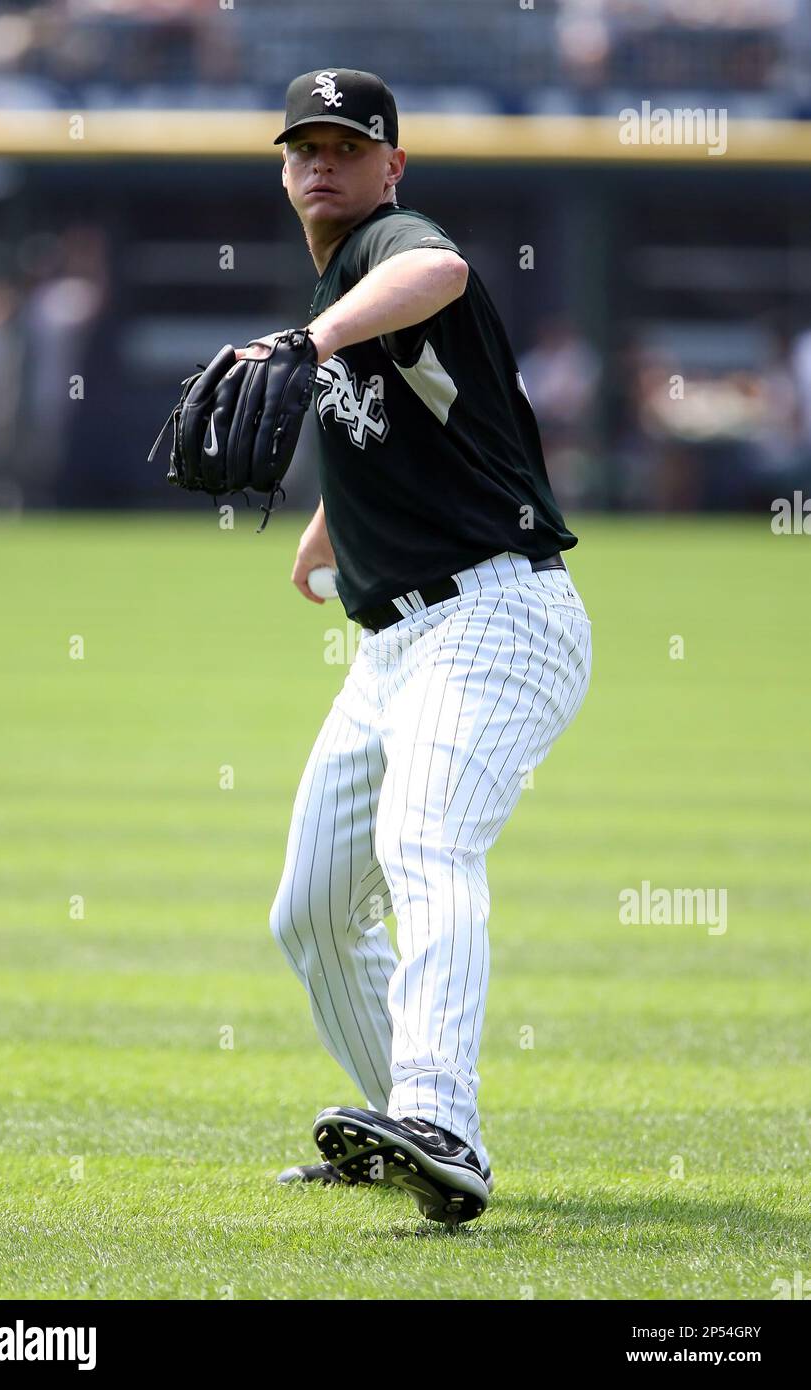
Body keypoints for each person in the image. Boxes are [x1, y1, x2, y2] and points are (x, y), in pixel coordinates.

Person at [250, 68, 592, 1225]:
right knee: (309, 908)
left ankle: (437, 1115)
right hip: (395, 644)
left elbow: (437, 270)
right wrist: (324, 528)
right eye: (303, 145)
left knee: (424, 844)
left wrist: (315, 335)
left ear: (390, 165)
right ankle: (408, 1138)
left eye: (346, 145)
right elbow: (412, 423)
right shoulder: (343, 280)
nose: (321, 163)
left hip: (494, 615)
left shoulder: (389, 246)